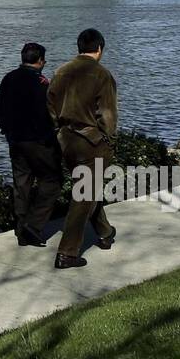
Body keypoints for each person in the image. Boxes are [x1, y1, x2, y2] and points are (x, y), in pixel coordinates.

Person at [47, 28, 119, 269]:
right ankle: (67, 253)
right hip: (91, 143)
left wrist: (58, 134)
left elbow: (50, 109)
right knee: (84, 194)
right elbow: (107, 115)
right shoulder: (101, 74)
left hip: (66, 141)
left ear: (79, 48)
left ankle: (105, 232)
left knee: (86, 188)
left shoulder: (60, 72)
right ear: (99, 49)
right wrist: (107, 139)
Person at [0, 42, 63, 247]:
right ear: (41, 60)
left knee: (21, 184)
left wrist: (7, 132)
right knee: (53, 181)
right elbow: (51, 113)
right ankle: (33, 226)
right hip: (38, 141)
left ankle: (21, 229)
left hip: (15, 140)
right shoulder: (42, 82)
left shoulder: (9, 78)